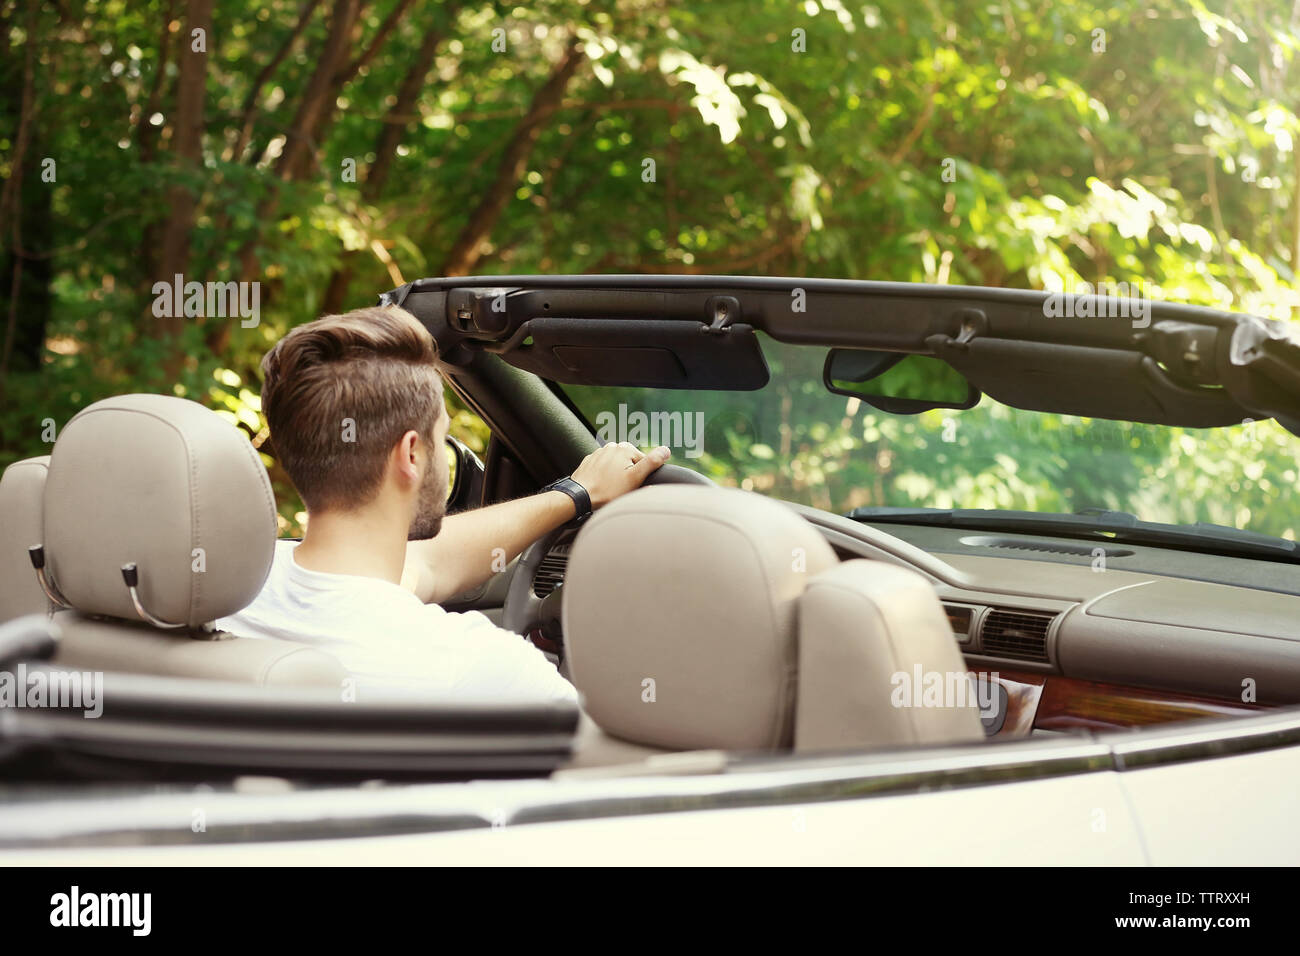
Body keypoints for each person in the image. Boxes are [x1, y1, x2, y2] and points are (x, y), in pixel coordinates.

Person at [218, 306, 669, 703]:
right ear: (411, 454)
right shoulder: (481, 670)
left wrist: (575, 494)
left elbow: (427, 562)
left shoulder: (225, 595)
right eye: (442, 435)